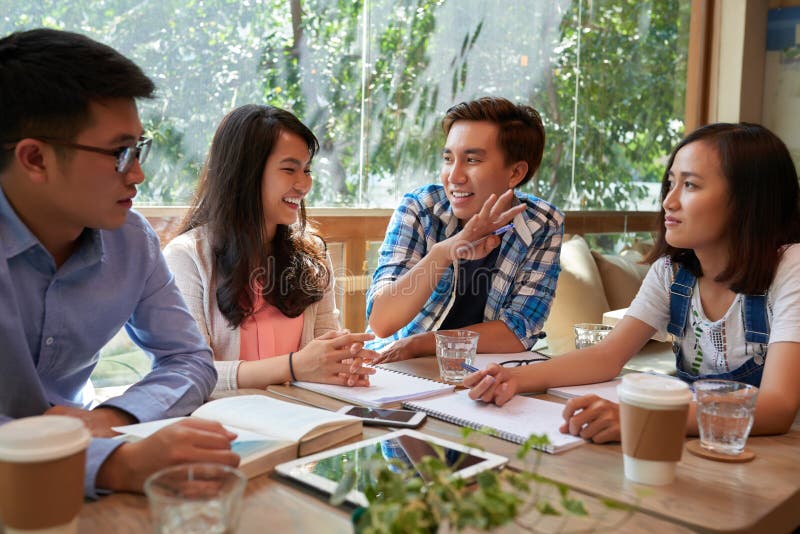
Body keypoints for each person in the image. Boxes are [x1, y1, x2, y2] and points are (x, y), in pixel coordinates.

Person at [0, 28, 239, 498]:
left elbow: (189, 358)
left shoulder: (131, 241)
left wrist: (108, 420)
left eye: (139, 149)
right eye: (119, 153)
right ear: (35, 158)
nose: (138, 174)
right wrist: (110, 463)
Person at [465, 122, 800, 443]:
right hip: (700, 445)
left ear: (748, 201)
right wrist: (513, 377)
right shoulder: (671, 272)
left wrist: (642, 418)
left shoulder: (790, 267)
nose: (669, 200)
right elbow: (607, 355)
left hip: (775, 458)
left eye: (692, 185)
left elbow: (777, 407)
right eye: (671, 183)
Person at [164, 104, 376, 390]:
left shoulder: (312, 254)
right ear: (245, 173)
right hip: (226, 423)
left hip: (303, 415)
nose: (304, 185)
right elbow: (189, 374)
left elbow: (325, 353)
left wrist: (343, 364)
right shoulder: (187, 257)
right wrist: (295, 366)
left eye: (307, 170)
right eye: (289, 169)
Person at [366, 96, 564, 363]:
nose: (454, 176)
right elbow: (382, 321)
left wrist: (421, 344)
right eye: (448, 159)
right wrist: (442, 253)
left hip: (480, 373)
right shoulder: (420, 209)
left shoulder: (541, 224)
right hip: (398, 366)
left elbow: (518, 331)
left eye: (471, 160)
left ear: (515, 173)